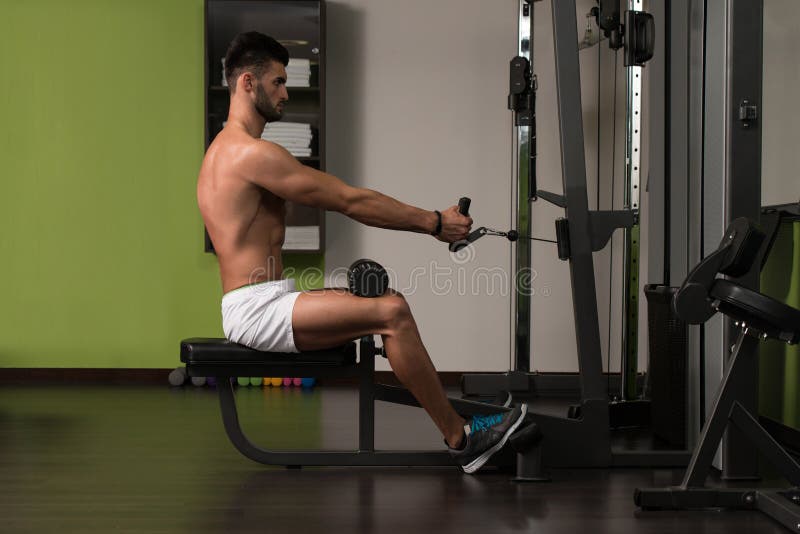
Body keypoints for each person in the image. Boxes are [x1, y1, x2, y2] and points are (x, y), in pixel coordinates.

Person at [197, 31, 526, 473]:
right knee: (391, 312)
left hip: (267, 297)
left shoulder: (222, 151)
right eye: (278, 82)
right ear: (247, 83)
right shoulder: (248, 155)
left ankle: (465, 423)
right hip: (256, 311)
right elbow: (349, 201)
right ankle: (462, 439)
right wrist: (433, 222)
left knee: (386, 299)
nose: (285, 92)